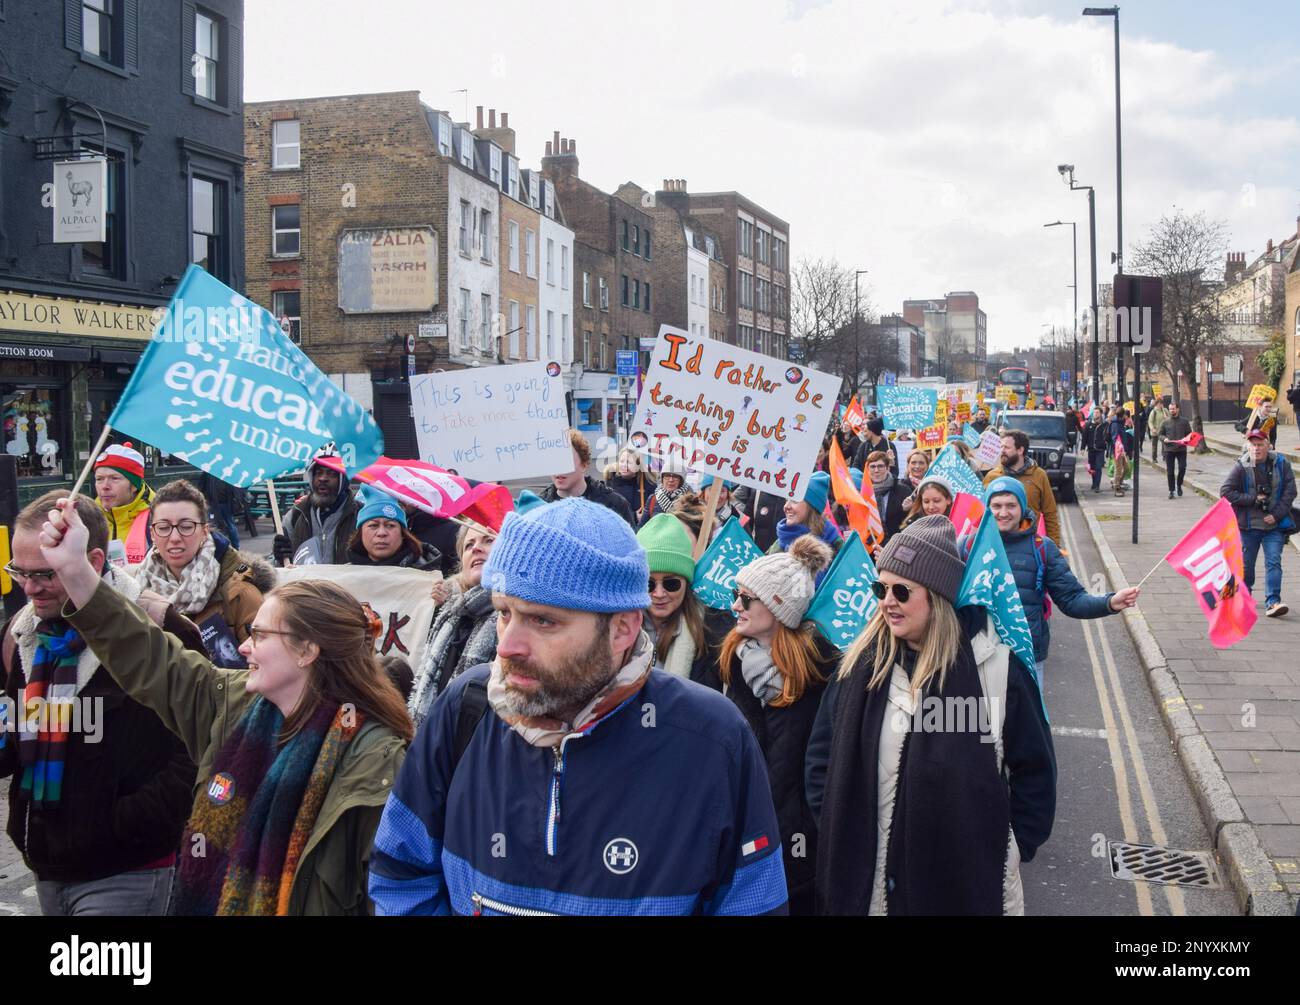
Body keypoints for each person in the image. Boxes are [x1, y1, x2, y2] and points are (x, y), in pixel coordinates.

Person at [368, 498, 789, 915]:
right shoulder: (466, 709)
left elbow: (753, 902)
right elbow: (399, 873)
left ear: (622, 627)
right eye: (504, 614)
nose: (507, 646)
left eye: (543, 621)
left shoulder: (713, 739)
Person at [36, 496, 412, 915]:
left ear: (307, 650)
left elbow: (393, 897)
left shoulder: (377, 764)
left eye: (262, 635)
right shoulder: (233, 703)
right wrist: (73, 570)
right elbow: (148, 654)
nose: (245, 646)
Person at [806, 515, 1057, 915]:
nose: (887, 601)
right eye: (881, 588)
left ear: (937, 596)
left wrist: (1009, 846)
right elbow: (822, 758)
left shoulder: (994, 669)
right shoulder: (858, 666)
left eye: (901, 591)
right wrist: (840, 828)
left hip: (963, 885)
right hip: (864, 888)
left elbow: (1036, 771)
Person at [0, 491, 195, 917]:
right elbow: (16, 737)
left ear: (91, 561)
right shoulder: (22, 632)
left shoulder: (161, 628)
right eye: (19, 572)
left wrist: (124, 825)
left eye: (45, 574)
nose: (29, 588)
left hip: (128, 867)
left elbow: (201, 745)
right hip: (46, 861)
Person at [721, 535, 838, 915]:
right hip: (744, 834)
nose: (735, 605)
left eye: (746, 598)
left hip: (803, 846)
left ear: (778, 608)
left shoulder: (822, 675)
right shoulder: (732, 661)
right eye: (736, 593)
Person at [972, 478, 1138, 685]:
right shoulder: (969, 545)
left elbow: (1072, 599)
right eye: (996, 506)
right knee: (986, 718)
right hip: (979, 656)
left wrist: (1109, 603)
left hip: (1027, 657)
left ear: (1022, 508)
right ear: (987, 508)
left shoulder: (1043, 547)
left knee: (1029, 718)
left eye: (1011, 505)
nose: (1003, 513)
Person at [135, 478, 274, 660]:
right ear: (152, 533)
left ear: (205, 531)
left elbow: (264, 664)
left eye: (186, 527)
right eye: (164, 527)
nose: (174, 537)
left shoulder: (240, 593)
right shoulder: (136, 589)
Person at [408, 523, 500, 727]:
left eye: (489, 540)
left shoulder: (513, 620)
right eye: (468, 545)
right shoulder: (449, 615)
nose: (476, 548)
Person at [636, 514, 730, 690]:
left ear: (686, 583)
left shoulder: (715, 633)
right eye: (648, 584)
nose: (659, 593)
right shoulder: (617, 627)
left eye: (671, 583)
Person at [1220, 429, 1296, 618]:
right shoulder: (1241, 466)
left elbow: (1290, 491)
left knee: (1274, 562)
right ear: (1248, 446)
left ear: (1268, 445)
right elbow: (1226, 491)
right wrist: (1252, 499)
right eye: (1253, 444)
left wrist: (1277, 515)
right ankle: (1244, 595)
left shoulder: (1281, 463)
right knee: (1246, 565)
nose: (1256, 448)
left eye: (1260, 444)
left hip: (1274, 525)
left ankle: (1273, 601)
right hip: (1248, 525)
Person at [274, 447, 360, 566]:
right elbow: (282, 568)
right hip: (306, 583)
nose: (323, 478)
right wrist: (279, 557)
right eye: (318, 473)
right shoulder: (296, 515)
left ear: (343, 480)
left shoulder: (361, 515)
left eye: (331, 473)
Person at [542, 429, 635, 529]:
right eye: (553, 462)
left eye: (567, 461)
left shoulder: (614, 505)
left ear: (584, 465)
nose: (559, 468)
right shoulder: (539, 507)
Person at [983, 429, 1061, 547]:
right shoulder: (992, 476)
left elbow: (1050, 513)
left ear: (1020, 450)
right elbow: (983, 512)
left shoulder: (1039, 475)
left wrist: (1054, 546)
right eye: (1001, 447)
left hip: (1030, 543)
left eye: (1007, 448)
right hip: (998, 544)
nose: (1002, 451)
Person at [346, 487, 442, 570]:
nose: (381, 533)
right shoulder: (344, 578)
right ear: (360, 533)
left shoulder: (426, 575)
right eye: (373, 525)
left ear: (403, 534)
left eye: (390, 525)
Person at [93, 441, 154, 564]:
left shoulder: (158, 517)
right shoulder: (88, 517)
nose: (105, 486)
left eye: (114, 478)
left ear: (134, 486)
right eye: (99, 479)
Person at [769, 471, 840, 565]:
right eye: (787, 500)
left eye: (794, 500)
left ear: (812, 506)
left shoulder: (835, 544)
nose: (786, 506)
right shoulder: (780, 542)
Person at [866, 451, 908, 543]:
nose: (876, 470)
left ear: (888, 468)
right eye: (872, 466)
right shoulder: (862, 492)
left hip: (896, 542)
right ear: (867, 469)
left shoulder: (902, 490)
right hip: (870, 544)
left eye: (880, 466)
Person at [606, 447, 655, 522]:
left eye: (629, 462)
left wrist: (645, 516)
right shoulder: (610, 483)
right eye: (622, 461)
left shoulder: (649, 485)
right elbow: (608, 512)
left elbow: (654, 511)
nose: (624, 465)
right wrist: (633, 517)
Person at [1156, 401, 1192, 499]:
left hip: (1181, 449)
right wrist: (1164, 439)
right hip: (1169, 450)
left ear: (1178, 409)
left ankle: (1179, 484)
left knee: (1182, 468)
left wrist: (1185, 440)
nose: (1172, 410)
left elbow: (1190, 434)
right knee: (1170, 472)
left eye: (1173, 408)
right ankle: (1171, 490)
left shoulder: (1184, 421)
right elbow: (1160, 434)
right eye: (1170, 409)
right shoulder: (1165, 422)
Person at [637, 458, 688, 527]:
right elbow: (641, 527)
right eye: (667, 475)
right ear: (662, 478)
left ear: (681, 481)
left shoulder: (688, 501)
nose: (670, 480)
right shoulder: (653, 499)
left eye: (675, 476)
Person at [199, 471, 243, 548]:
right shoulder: (226, 471)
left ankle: (219, 546)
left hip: (215, 502)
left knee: (214, 524)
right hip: (224, 501)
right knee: (229, 524)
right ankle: (235, 546)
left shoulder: (209, 472)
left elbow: (202, 485)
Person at [734, 485, 784, 552]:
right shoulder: (757, 491)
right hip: (759, 551)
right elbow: (746, 524)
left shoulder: (794, 496)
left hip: (784, 555)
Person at [1086, 409, 1108, 495]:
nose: (1096, 414)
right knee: (1092, 468)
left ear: (1101, 414)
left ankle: (1097, 486)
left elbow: (1108, 434)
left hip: (1100, 449)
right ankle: (1094, 482)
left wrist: (1106, 440)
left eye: (1097, 412)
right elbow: (1085, 436)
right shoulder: (1089, 424)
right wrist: (1083, 447)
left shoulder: (1104, 424)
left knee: (1098, 467)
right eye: (1094, 412)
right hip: (1091, 449)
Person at [1147, 396, 1170, 464]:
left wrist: (1167, 417)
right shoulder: (1153, 411)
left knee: (1165, 444)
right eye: (1160, 403)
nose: (1161, 405)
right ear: (1157, 404)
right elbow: (1150, 421)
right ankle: (1154, 458)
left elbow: (1169, 419)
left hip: (1163, 431)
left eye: (1161, 403)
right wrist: (1152, 428)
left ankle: (1164, 456)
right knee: (1155, 445)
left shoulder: (1165, 410)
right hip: (1155, 431)